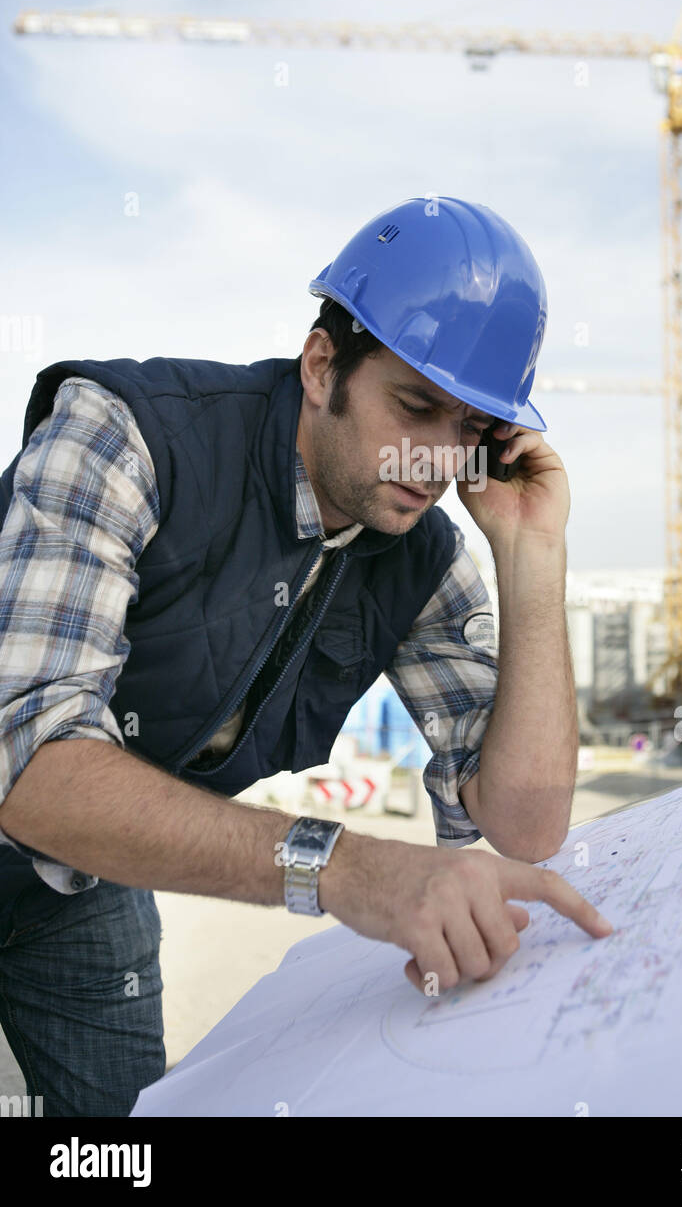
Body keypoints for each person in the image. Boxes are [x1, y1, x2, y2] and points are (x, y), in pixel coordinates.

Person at [0, 195, 612, 1117]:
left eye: (471, 431)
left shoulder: (418, 552)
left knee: (119, 1139)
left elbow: (526, 822)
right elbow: (28, 760)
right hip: (55, 816)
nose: (434, 462)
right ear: (323, 365)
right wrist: (346, 868)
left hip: (80, 887)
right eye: (415, 407)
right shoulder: (125, 435)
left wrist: (532, 558)